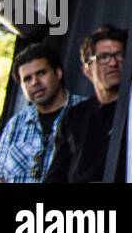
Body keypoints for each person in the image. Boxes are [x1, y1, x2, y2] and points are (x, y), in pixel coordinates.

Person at [0, 42, 86, 183]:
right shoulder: (15, 124)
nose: (35, 82)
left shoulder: (85, 111)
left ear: (58, 73)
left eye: (41, 73)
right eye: (27, 79)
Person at [46, 24, 127, 183]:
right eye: (104, 57)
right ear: (87, 69)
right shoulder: (74, 117)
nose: (113, 63)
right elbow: (55, 176)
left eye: (119, 55)